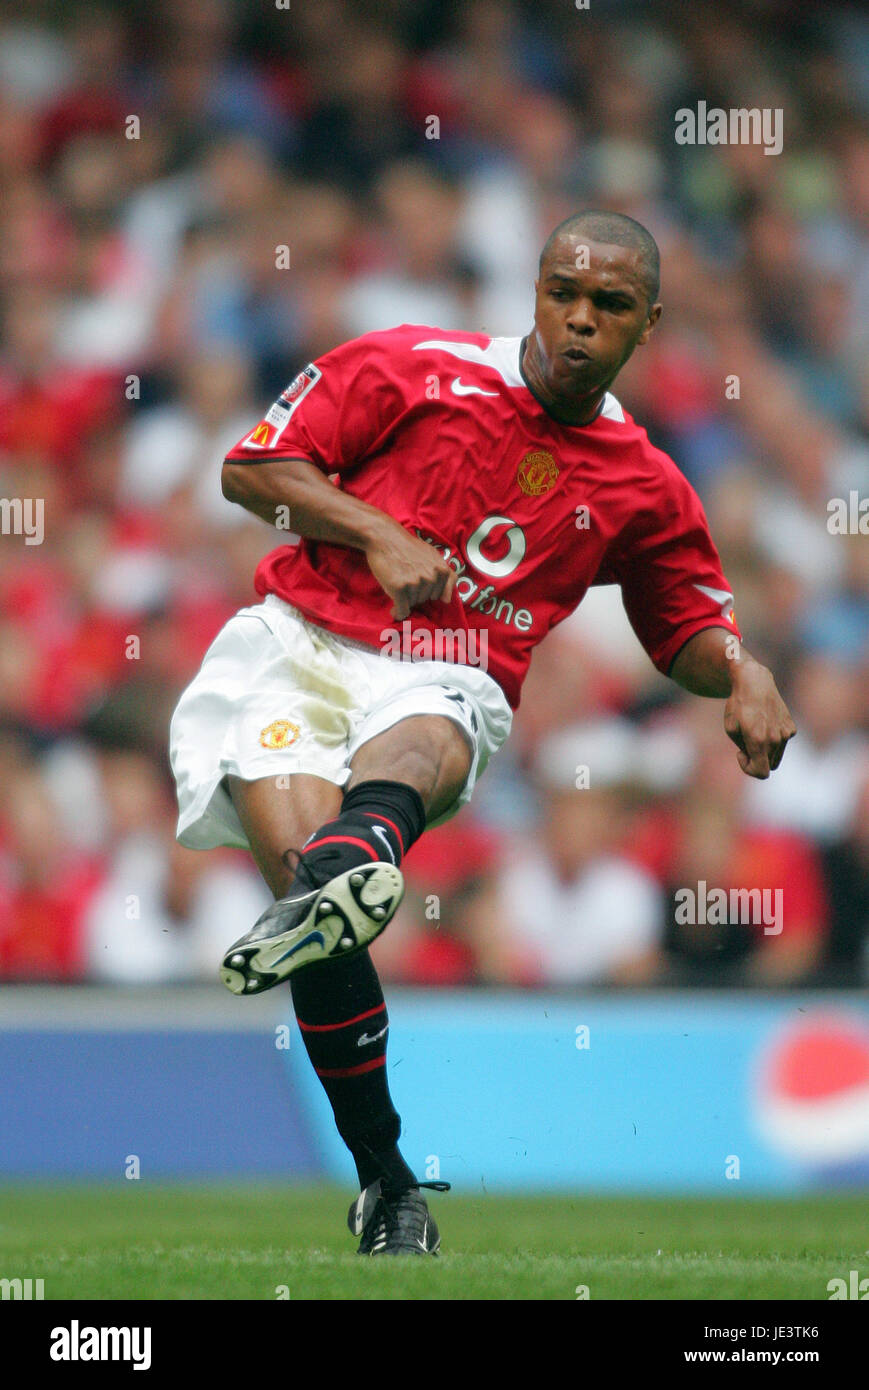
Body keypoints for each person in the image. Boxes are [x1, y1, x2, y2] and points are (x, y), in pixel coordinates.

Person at [168, 211, 796, 1255]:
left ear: (647, 323)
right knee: (316, 901)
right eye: (562, 293)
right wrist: (374, 531)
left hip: (445, 669)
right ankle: (386, 1178)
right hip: (295, 640)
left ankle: (355, 855)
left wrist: (741, 668)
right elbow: (252, 470)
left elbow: (682, 621)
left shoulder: (641, 480)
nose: (578, 321)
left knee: (408, 755)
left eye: (607, 305)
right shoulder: (408, 366)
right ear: (535, 290)